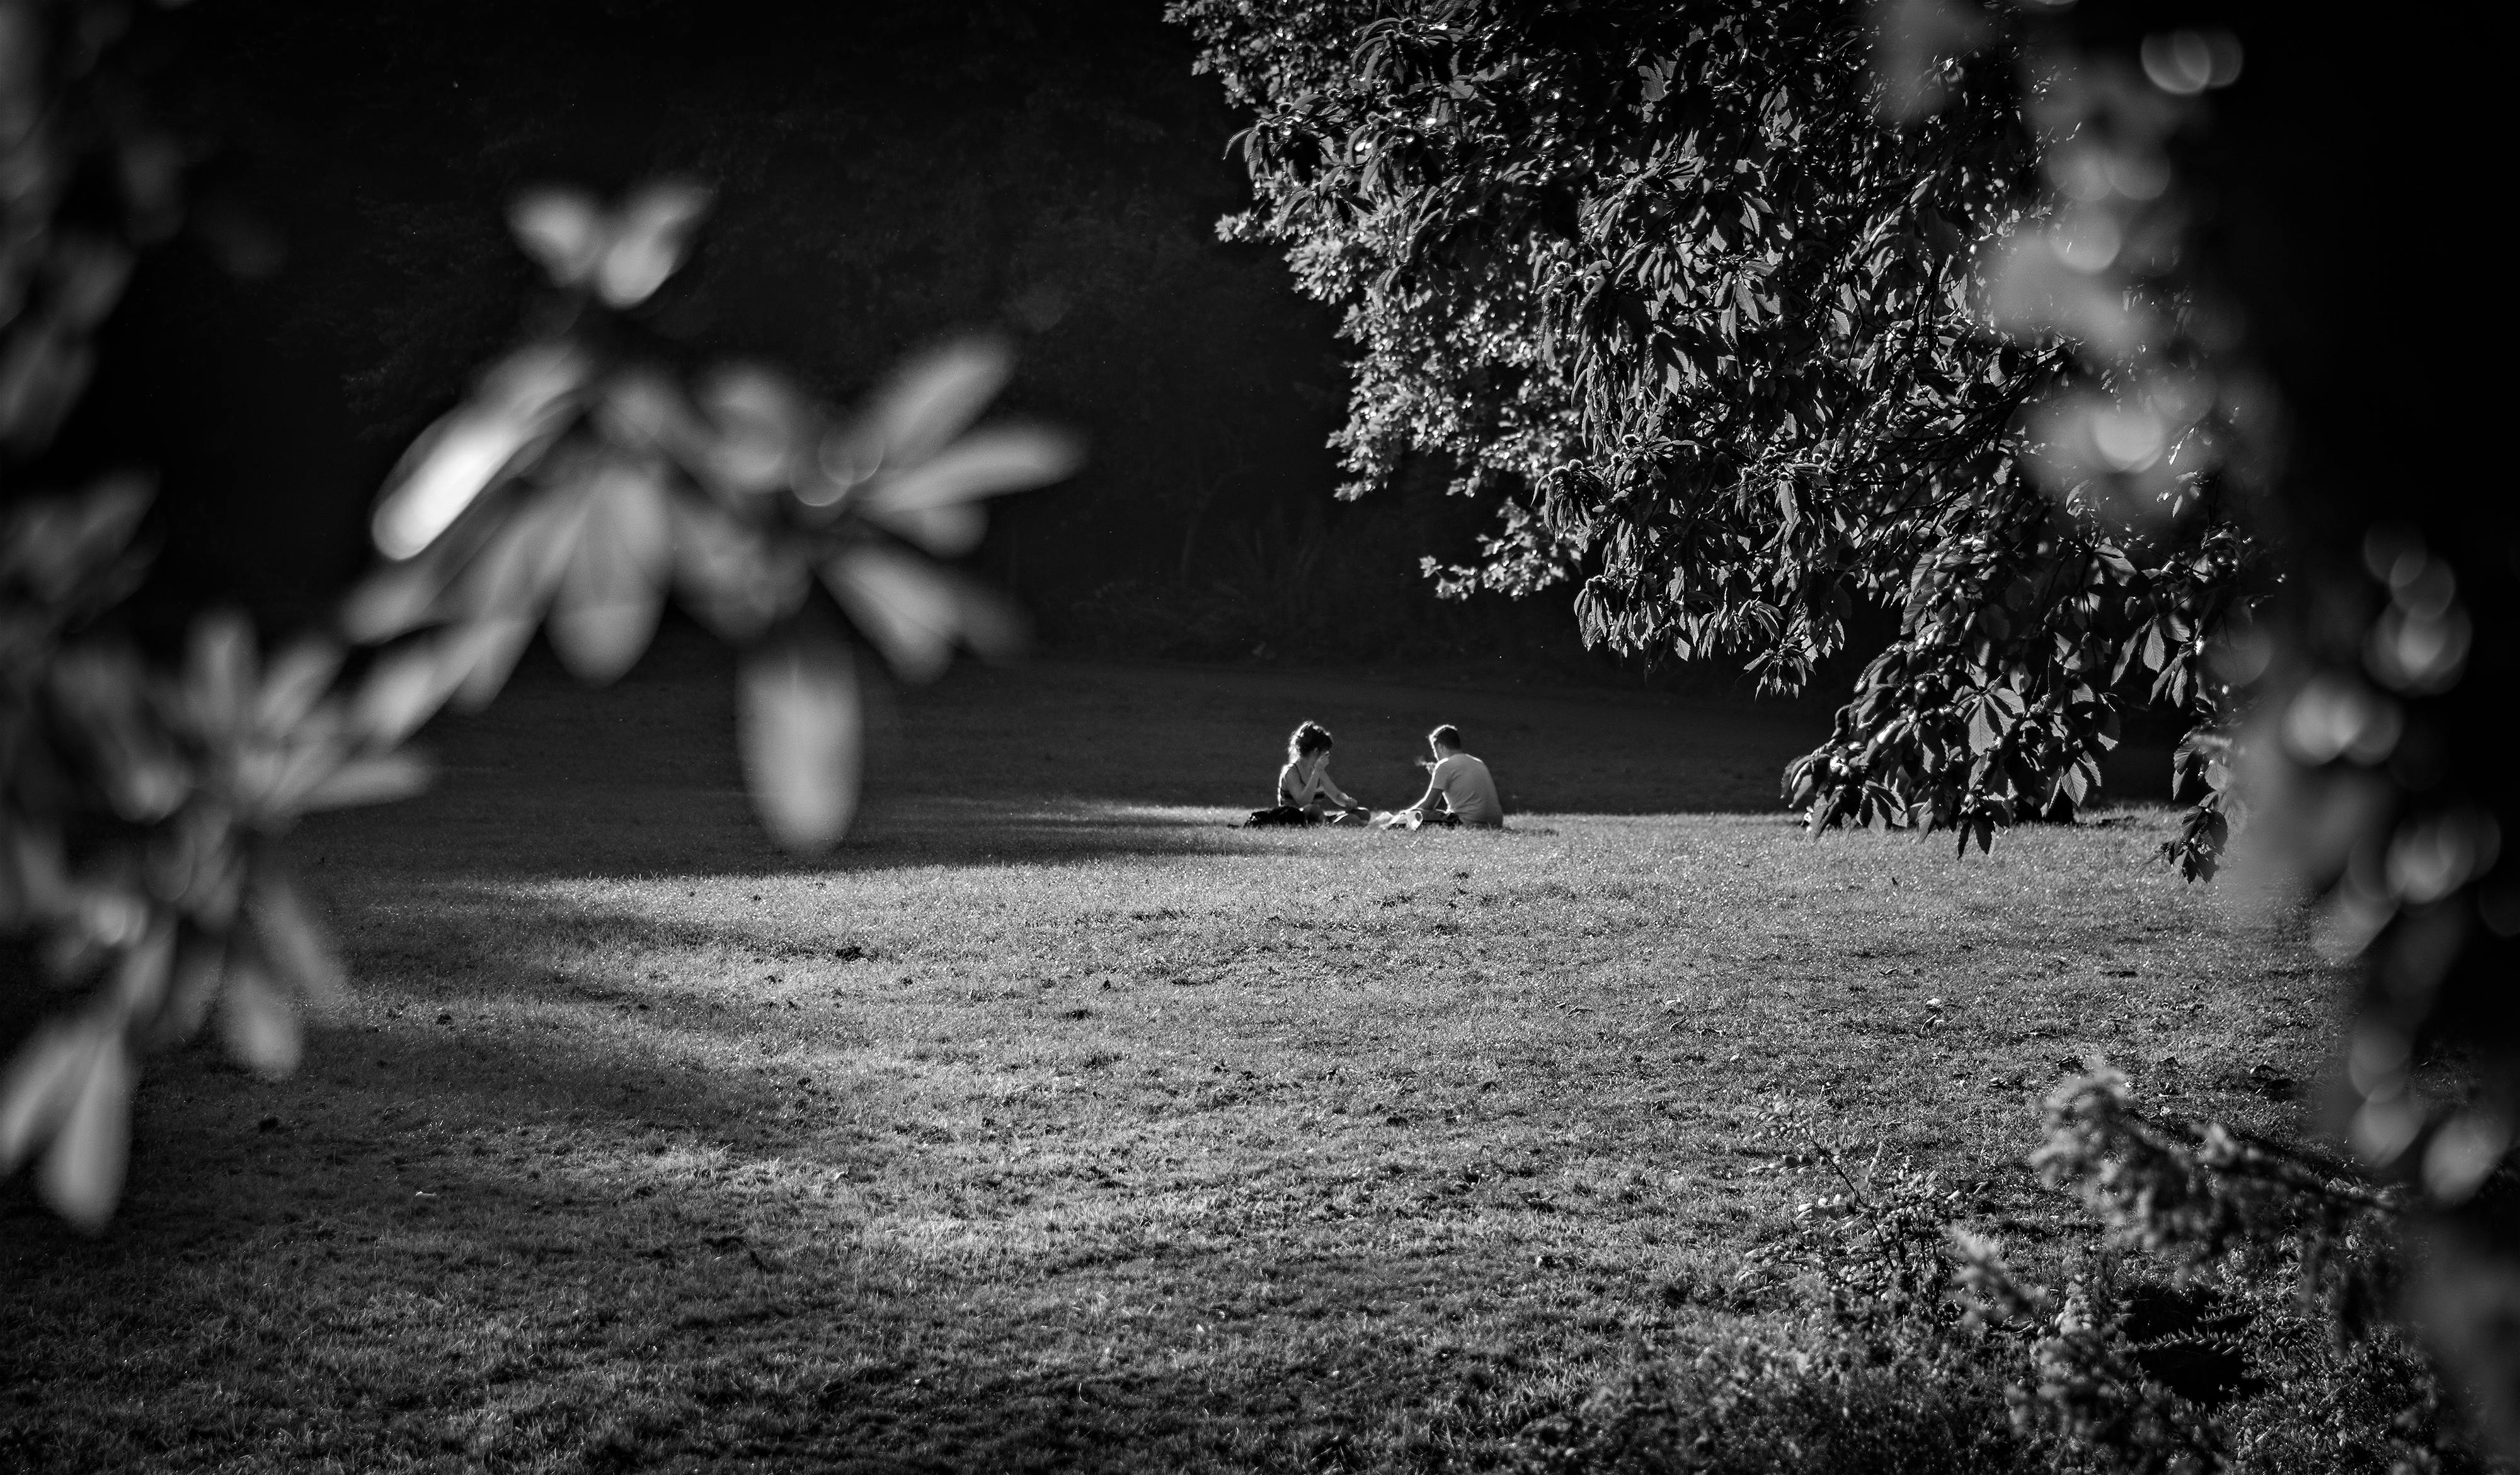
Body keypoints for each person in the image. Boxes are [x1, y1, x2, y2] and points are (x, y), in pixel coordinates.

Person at [1246, 720, 1369, 826]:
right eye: (1325, 752)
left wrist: (1347, 801)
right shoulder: (1291, 772)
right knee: (1312, 809)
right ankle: (1334, 825)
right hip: (1297, 818)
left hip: (1318, 818)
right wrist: (1317, 773)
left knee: (1363, 813)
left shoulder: (1317, 769)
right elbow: (1303, 802)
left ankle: (1334, 823)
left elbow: (1336, 795)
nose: (1327, 756)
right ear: (1316, 751)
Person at [1387, 724, 1504, 829]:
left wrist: (1405, 814)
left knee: (1415, 816)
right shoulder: (1478, 762)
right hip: (1496, 822)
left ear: (1441, 747)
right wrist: (1438, 775)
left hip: (1467, 822)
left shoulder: (1445, 765)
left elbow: (1428, 805)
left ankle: (1391, 824)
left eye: (1435, 750)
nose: (1435, 754)